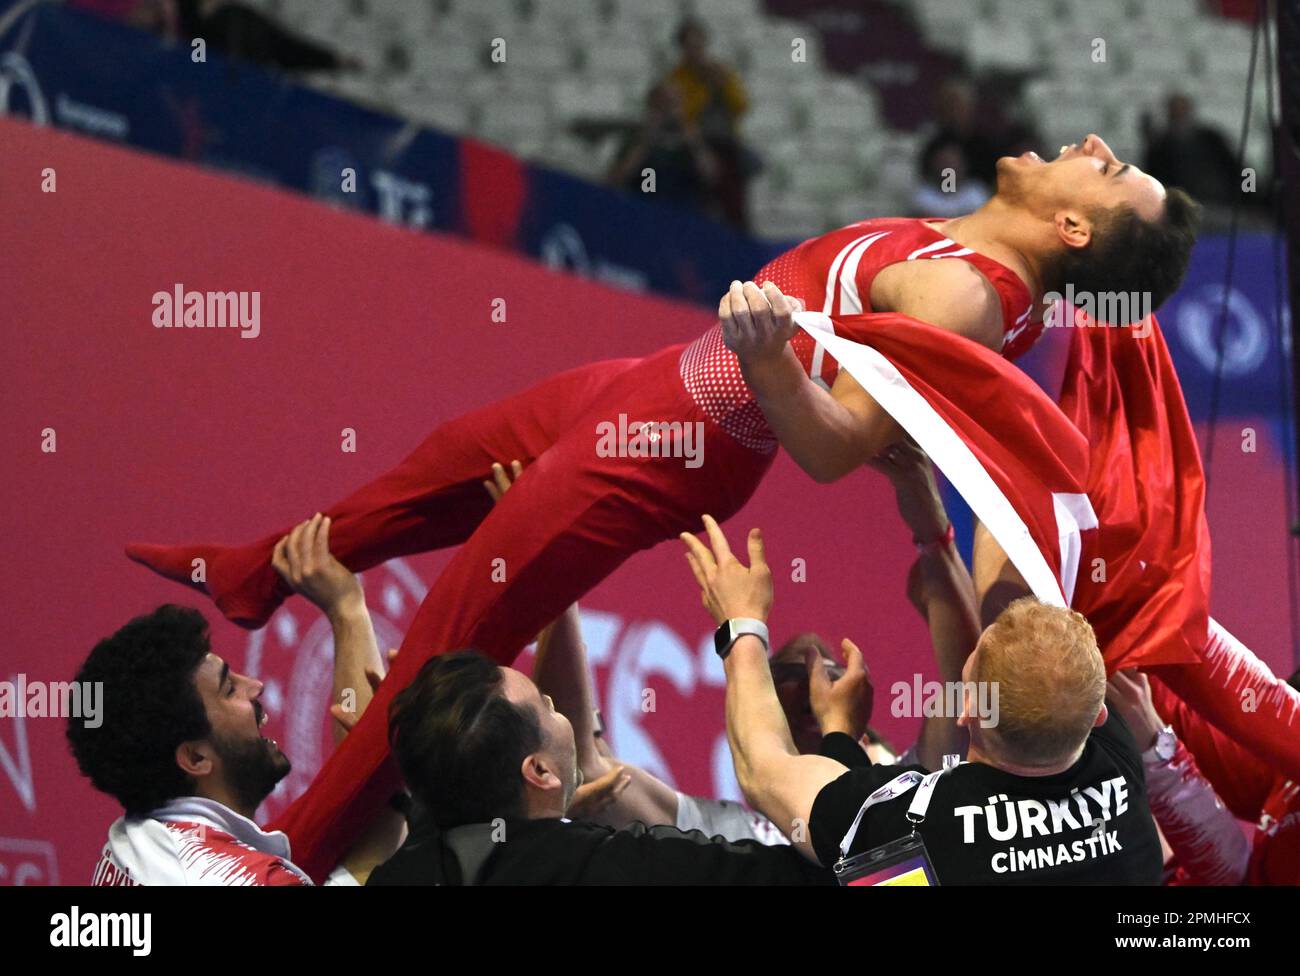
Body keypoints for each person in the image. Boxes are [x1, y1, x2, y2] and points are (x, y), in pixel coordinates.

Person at [126, 132, 1199, 879]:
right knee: (444, 465)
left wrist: (769, 361)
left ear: (1068, 225)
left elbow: (828, 449)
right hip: (658, 383)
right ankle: (255, 572)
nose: (1098, 146)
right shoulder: (976, 271)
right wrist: (905, 487)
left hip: (683, 441)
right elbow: (896, 436)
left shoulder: (964, 292)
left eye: (1115, 174)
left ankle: (294, 864)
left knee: (456, 629)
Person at [679, 516, 1164, 883]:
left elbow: (763, 769)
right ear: (1100, 714)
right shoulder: (1118, 758)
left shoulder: (916, 822)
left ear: (970, 708)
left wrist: (741, 621)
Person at [70, 516, 403, 885]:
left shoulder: (131, 843)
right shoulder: (235, 879)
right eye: (230, 689)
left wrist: (347, 610)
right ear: (195, 758)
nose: (256, 686)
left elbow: (355, 805)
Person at [365, 651, 832, 885]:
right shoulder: (621, 867)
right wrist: (840, 738)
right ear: (540, 772)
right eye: (548, 707)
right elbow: (829, 870)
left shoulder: (394, 878)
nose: (556, 705)